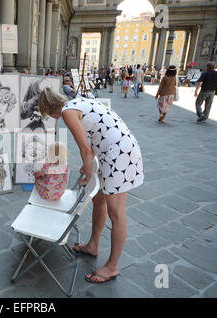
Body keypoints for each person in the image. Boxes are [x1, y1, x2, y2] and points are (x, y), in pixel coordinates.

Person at [38, 88, 144, 284]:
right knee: (98, 201)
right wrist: (87, 167)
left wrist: (87, 174)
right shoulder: (79, 102)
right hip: (118, 150)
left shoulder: (67, 112)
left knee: (116, 214)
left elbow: (85, 149)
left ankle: (112, 266)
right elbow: (98, 136)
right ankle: (93, 245)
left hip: (119, 155)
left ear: (50, 109)